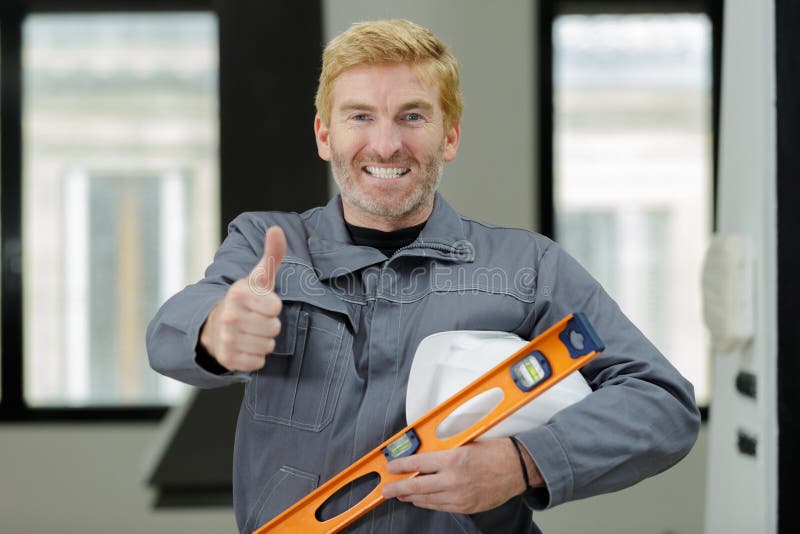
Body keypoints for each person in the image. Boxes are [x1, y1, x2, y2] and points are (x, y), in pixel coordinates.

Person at [147, 18, 700, 534]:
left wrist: (522, 463)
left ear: (450, 137)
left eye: (412, 116)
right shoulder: (266, 245)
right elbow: (168, 333)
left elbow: (663, 404)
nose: (386, 144)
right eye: (360, 116)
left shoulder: (528, 268)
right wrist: (215, 330)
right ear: (324, 135)